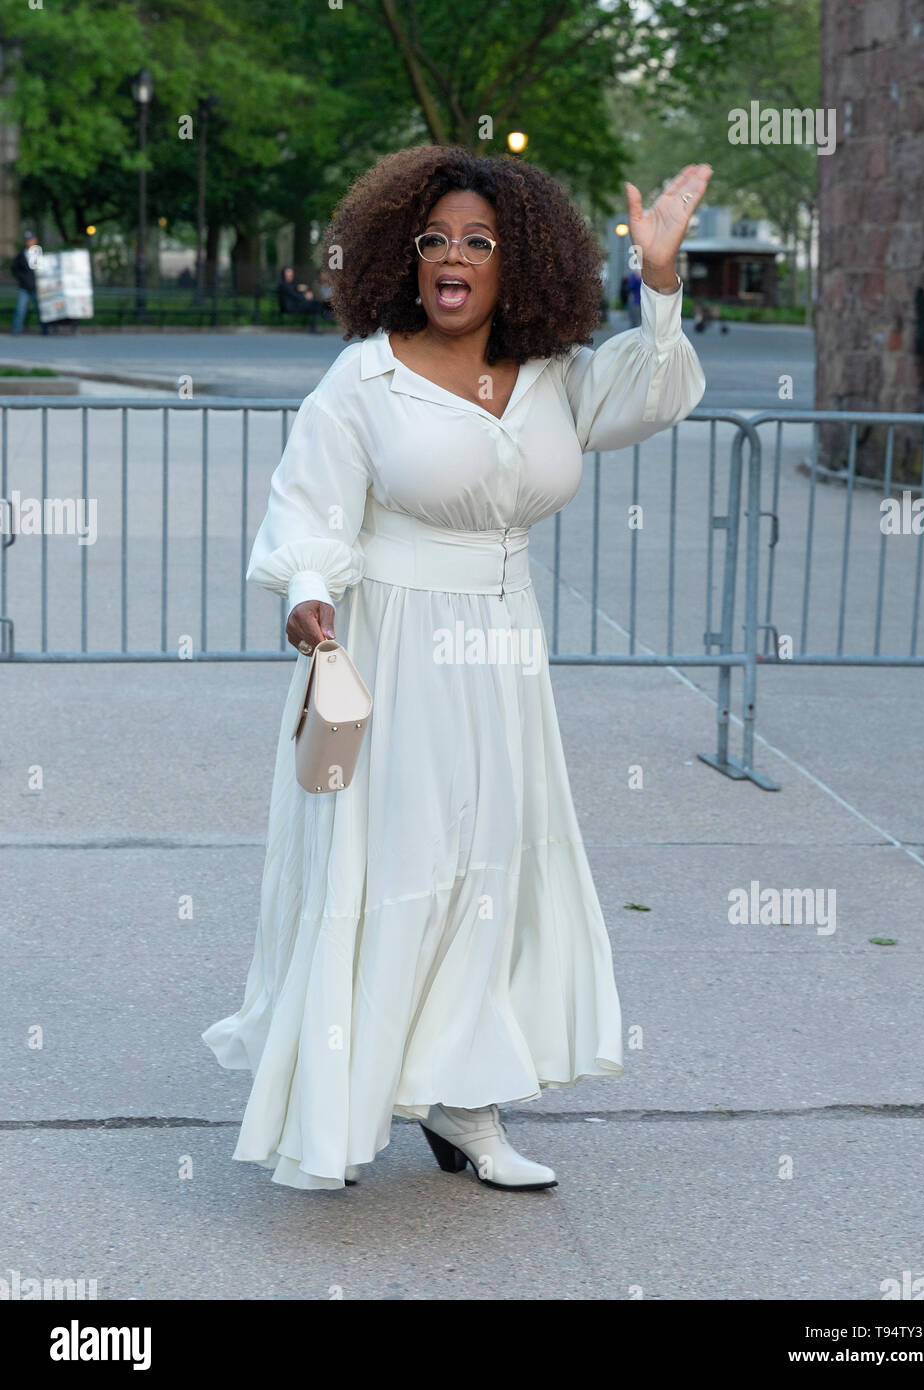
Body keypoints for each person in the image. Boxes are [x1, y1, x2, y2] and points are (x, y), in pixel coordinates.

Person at [203, 146, 710, 1192]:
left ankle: (464, 1103)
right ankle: (340, 1115)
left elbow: (654, 392)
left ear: (516, 264)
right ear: (403, 255)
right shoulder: (367, 376)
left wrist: (658, 278)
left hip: (504, 650)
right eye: (434, 238)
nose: (453, 258)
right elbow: (308, 506)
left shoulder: (553, 380)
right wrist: (308, 588)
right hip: (390, 645)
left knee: (492, 871)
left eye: (478, 242)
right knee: (387, 866)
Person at [11, 232, 49, 335]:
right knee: (20, 309)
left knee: (41, 309)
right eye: (28, 240)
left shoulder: (39, 254)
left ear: (35, 240)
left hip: (37, 287)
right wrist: (21, 278)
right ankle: (16, 330)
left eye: (31, 240)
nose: (29, 242)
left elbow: (44, 269)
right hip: (24, 287)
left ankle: (45, 330)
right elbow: (14, 268)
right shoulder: (21, 254)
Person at [277, 266, 323, 332]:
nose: (290, 275)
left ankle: (314, 325)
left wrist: (303, 291)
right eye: (288, 273)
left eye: (291, 274)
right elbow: (295, 296)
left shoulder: (291, 284)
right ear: (284, 274)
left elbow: (296, 291)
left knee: (316, 304)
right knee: (317, 304)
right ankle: (315, 326)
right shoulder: (284, 285)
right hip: (289, 307)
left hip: (295, 305)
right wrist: (305, 296)